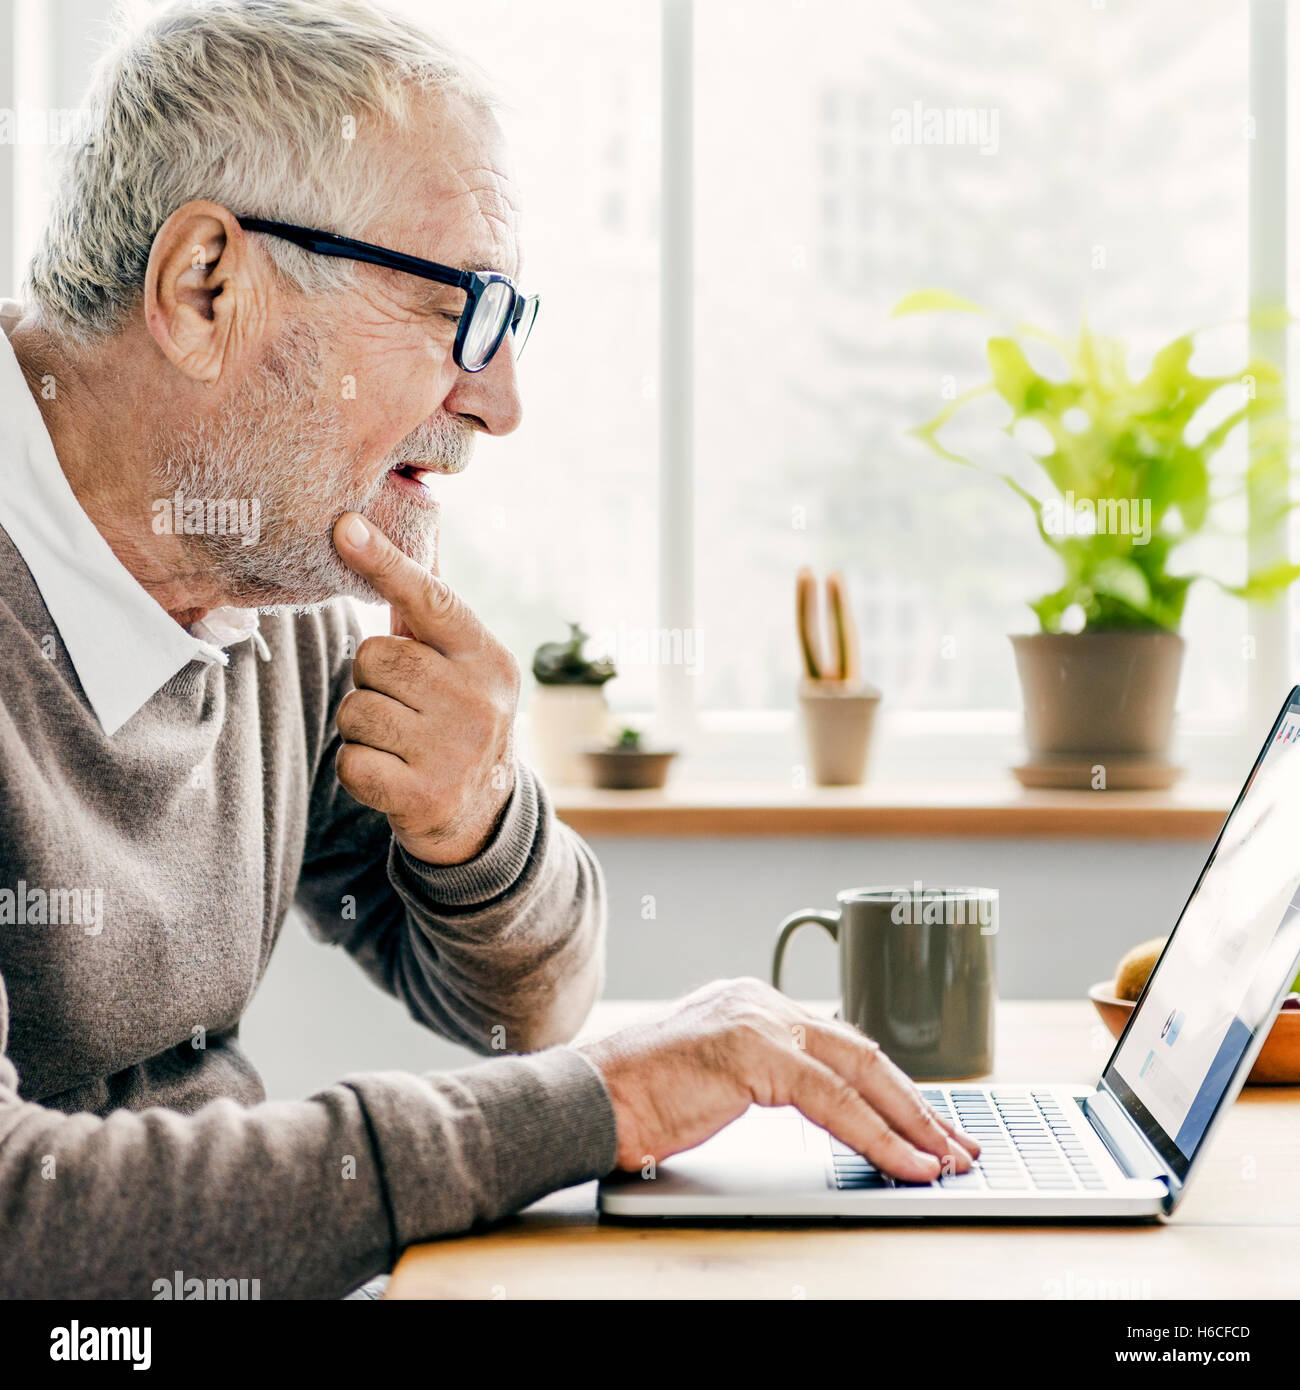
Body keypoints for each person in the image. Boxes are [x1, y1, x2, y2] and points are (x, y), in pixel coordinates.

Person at [0, 0, 975, 1299]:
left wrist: (476, 820)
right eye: (459, 307)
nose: (502, 400)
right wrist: (593, 1106)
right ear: (204, 287)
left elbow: (526, 1011)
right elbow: (24, 1226)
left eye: (512, 315)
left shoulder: (266, 583)